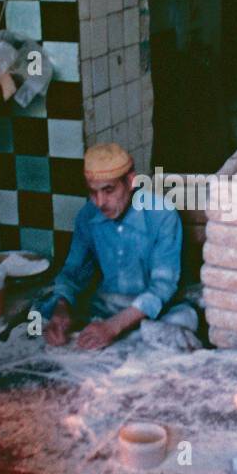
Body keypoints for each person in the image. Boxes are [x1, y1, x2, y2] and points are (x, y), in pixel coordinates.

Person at [41, 143, 198, 350]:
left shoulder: (161, 214)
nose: (99, 202)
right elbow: (72, 271)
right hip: (108, 306)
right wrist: (61, 308)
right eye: (92, 192)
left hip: (158, 311)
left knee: (182, 323)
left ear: (131, 181)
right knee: (43, 313)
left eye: (109, 190)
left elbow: (163, 286)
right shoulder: (87, 216)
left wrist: (114, 327)